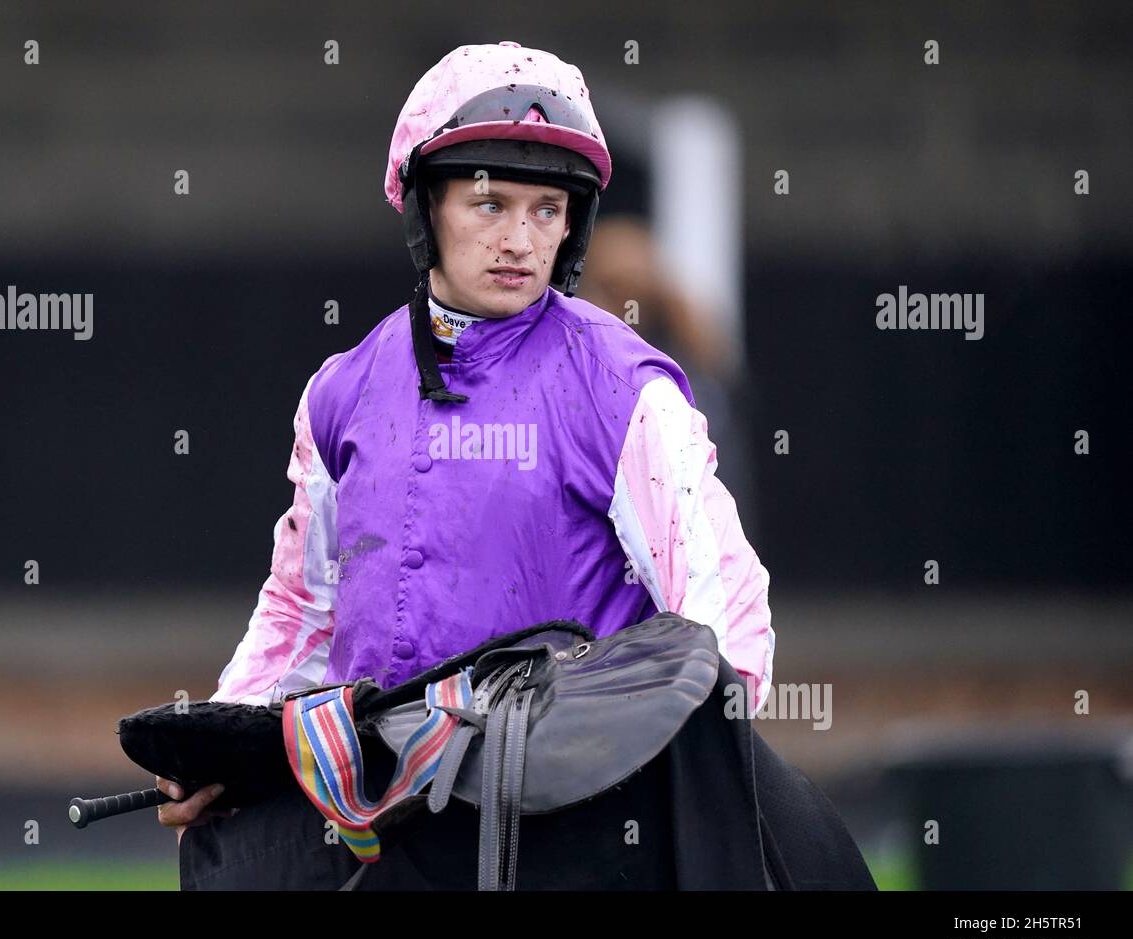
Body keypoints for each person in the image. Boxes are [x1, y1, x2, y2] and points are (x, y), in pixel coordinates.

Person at [157, 40, 776, 854]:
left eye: (546, 210)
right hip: (391, 835)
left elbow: (724, 617)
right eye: (490, 204)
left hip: (578, 840)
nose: (520, 238)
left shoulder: (626, 390)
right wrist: (222, 744)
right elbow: (302, 616)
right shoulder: (340, 392)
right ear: (426, 209)